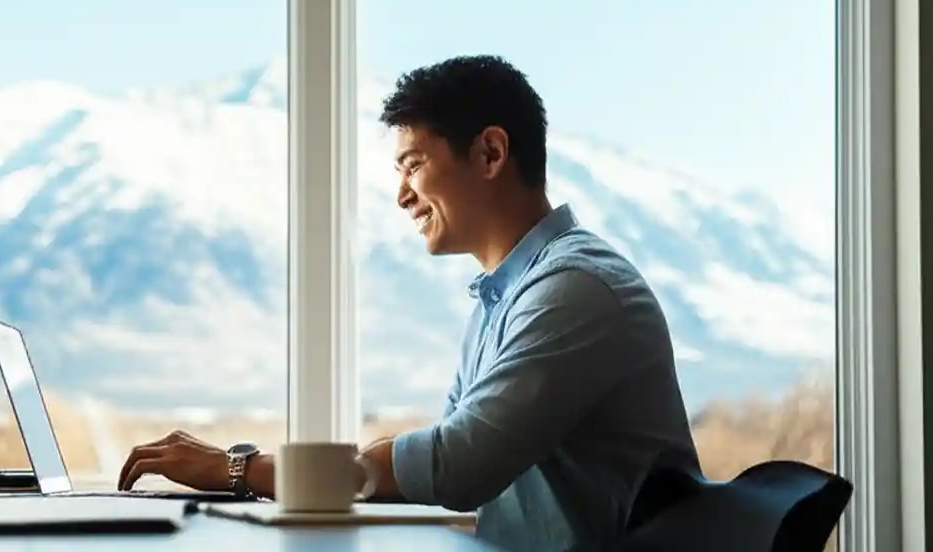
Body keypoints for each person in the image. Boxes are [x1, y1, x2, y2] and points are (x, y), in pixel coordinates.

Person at [118, 55, 700, 550]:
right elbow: (442, 464)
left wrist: (238, 469)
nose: (401, 197)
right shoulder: (504, 300)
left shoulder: (574, 291)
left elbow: (454, 465)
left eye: (413, 165)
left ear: (490, 154)